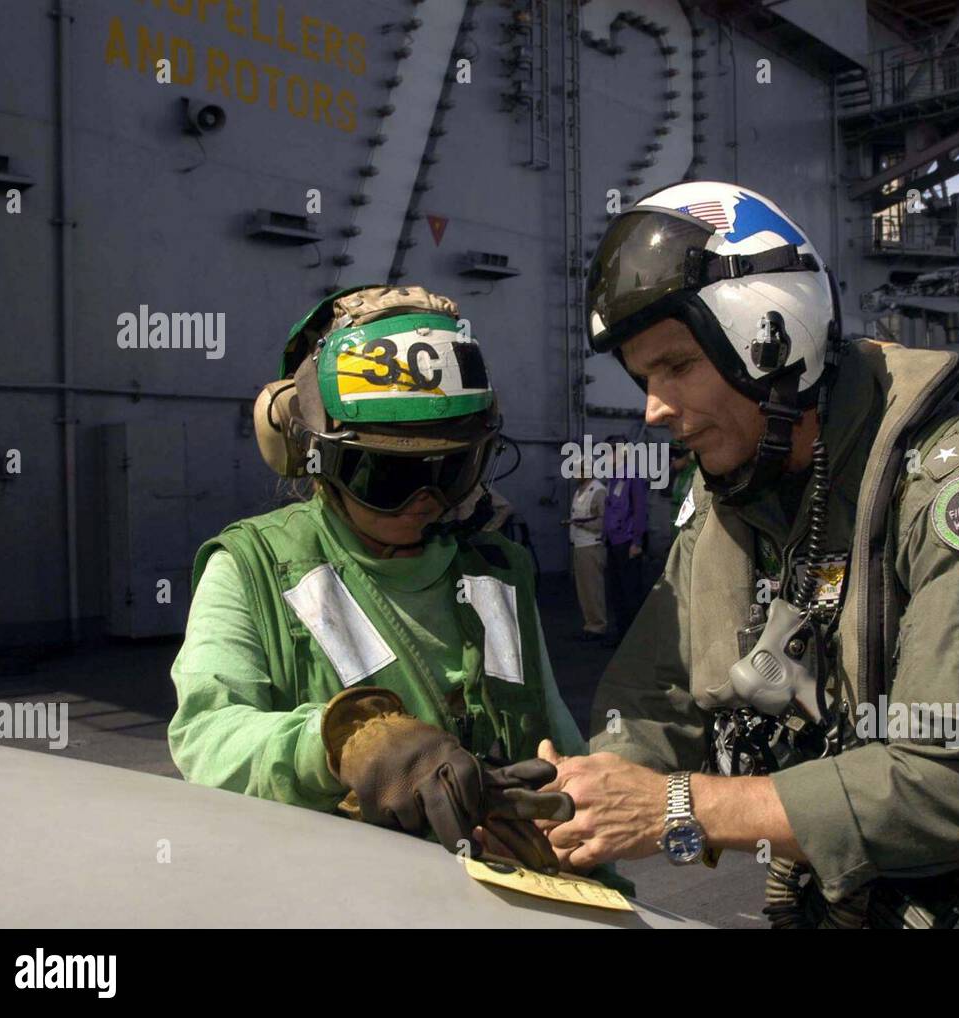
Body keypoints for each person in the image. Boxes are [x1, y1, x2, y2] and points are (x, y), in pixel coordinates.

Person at [538, 181, 959, 928]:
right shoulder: (732, 498)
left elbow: (950, 784)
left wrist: (673, 807)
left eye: (677, 367)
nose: (654, 410)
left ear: (771, 344)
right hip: (842, 897)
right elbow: (657, 694)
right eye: (644, 379)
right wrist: (576, 794)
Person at [168, 285, 582, 871]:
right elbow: (206, 739)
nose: (426, 500)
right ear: (316, 457)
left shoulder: (497, 570)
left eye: (453, 469)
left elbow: (556, 731)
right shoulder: (250, 566)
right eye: (388, 476)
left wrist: (576, 825)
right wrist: (337, 743)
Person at [600, 436, 648, 646]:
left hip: (628, 543)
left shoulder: (633, 477)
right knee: (616, 591)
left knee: (631, 592)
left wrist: (637, 542)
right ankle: (622, 636)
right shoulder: (613, 478)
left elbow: (639, 511)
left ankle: (634, 639)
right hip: (613, 541)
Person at [563, 460, 608, 640]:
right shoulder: (580, 491)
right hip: (580, 545)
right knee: (584, 589)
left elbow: (603, 522)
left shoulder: (598, 491)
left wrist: (579, 524)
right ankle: (591, 623)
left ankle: (598, 625)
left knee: (593, 588)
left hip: (591, 545)